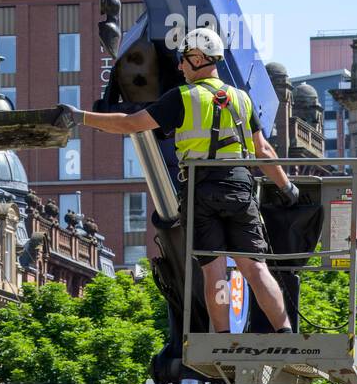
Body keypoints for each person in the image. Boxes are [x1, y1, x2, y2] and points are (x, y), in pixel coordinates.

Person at [66, 29, 299, 333]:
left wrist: (80, 117)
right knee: (255, 267)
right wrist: (286, 188)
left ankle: (223, 341)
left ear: (200, 58)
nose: (180, 67)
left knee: (214, 271)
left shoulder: (183, 97)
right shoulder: (241, 99)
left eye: (185, 59)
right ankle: (286, 334)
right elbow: (263, 150)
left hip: (200, 189)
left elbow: (130, 124)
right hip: (239, 186)